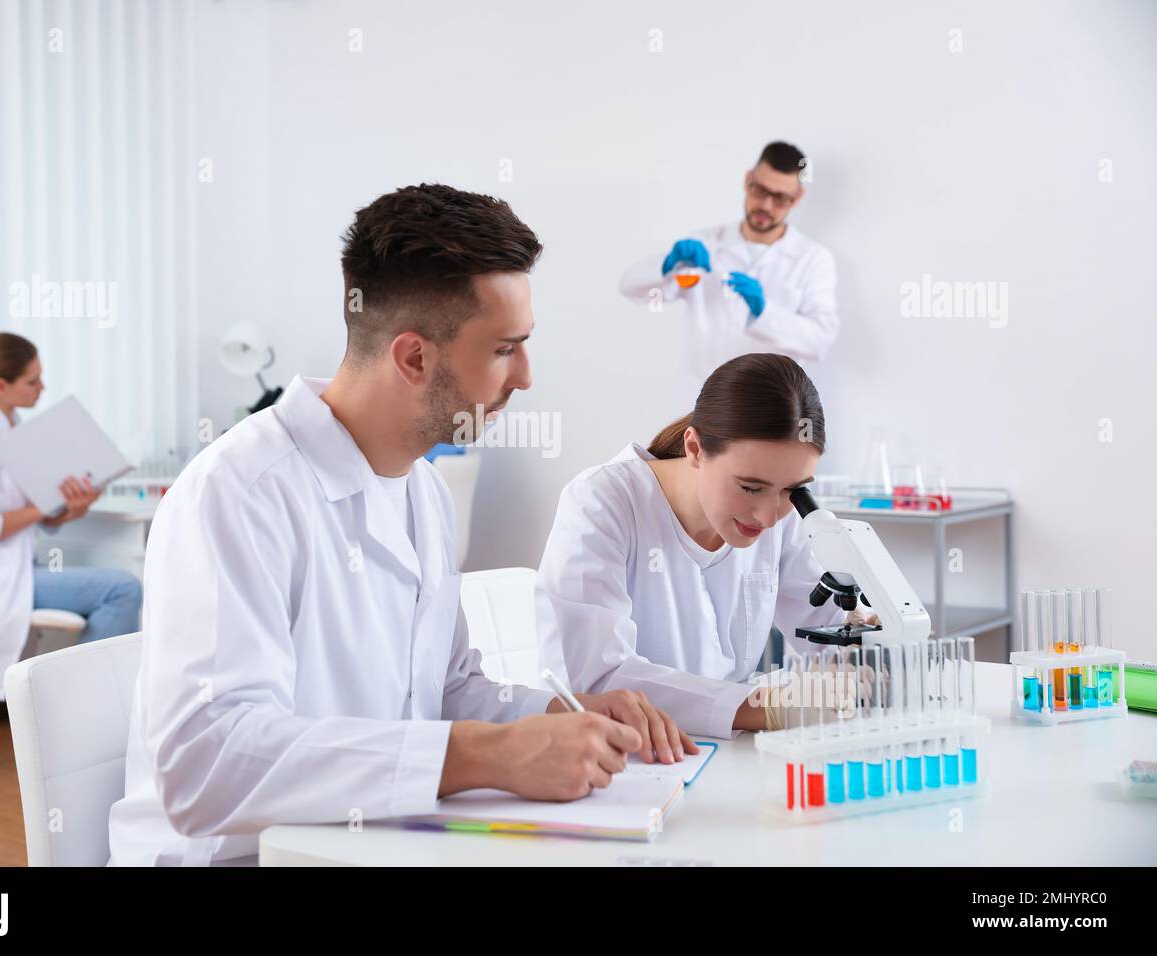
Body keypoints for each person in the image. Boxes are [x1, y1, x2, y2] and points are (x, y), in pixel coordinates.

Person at [108, 184, 695, 867]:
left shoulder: (422, 489)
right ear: (414, 357)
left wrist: (562, 714)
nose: (527, 377)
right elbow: (206, 767)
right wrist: (486, 754)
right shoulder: (237, 494)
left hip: (372, 843)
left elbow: (444, 690)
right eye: (506, 349)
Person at [535, 353, 872, 739]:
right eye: (749, 487)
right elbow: (599, 678)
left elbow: (827, 629)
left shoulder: (783, 514)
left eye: (793, 491)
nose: (767, 515)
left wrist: (863, 654)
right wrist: (767, 707)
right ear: (694, 449)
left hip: (723, 754)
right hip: (615, 757)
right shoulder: (601, 502)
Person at [0, 332, 142, 700]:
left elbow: (37, 516)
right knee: (122, 590)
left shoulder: (14, 429)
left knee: (120, 588)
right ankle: (90, 707)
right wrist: (44, 507)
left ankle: (90, 706)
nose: (42, 387)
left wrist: (71, 508)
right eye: (32, 381)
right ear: (0, 385)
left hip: (18, 566)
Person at [619, 142, 839, 407]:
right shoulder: (706, 243)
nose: (766, 206)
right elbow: (630, 288)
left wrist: (764, 311)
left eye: (780, 198)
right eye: (760, 190)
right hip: (700, 403)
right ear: (748, 180)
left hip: (769, 407)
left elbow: (819, 342)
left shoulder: (813, 259)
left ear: (798, 198)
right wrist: (667, 264)